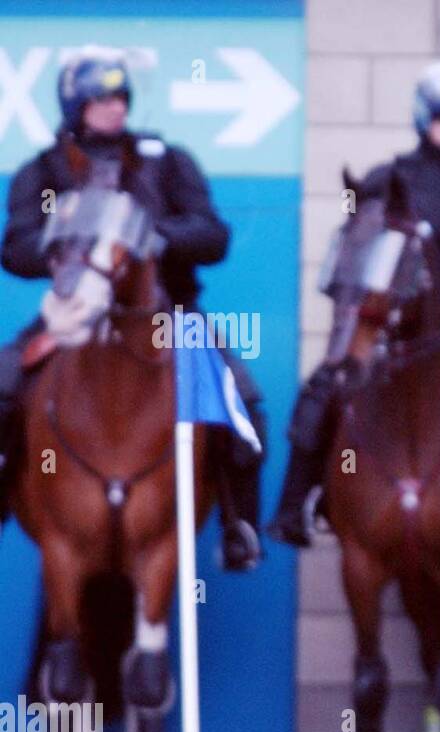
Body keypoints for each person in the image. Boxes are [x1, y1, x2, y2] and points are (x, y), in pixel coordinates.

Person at [0, 47, 263, 569]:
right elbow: (14, 245)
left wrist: (154, 236)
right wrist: (62, 251)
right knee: (5, 382)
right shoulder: (46, 168)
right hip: (76, 313)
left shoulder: (166, 160)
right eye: (102, 99)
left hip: (170, 317)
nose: (116, 108)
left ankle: (238, 526)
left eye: (121, 97)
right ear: (76, 105)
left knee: (243, 403)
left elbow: (212, 234)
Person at [268, 60, 440, 546]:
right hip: (395, 321)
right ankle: (298, 501)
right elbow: (356, 236)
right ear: (424, 120)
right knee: (325, 385)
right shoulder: (388, 178)